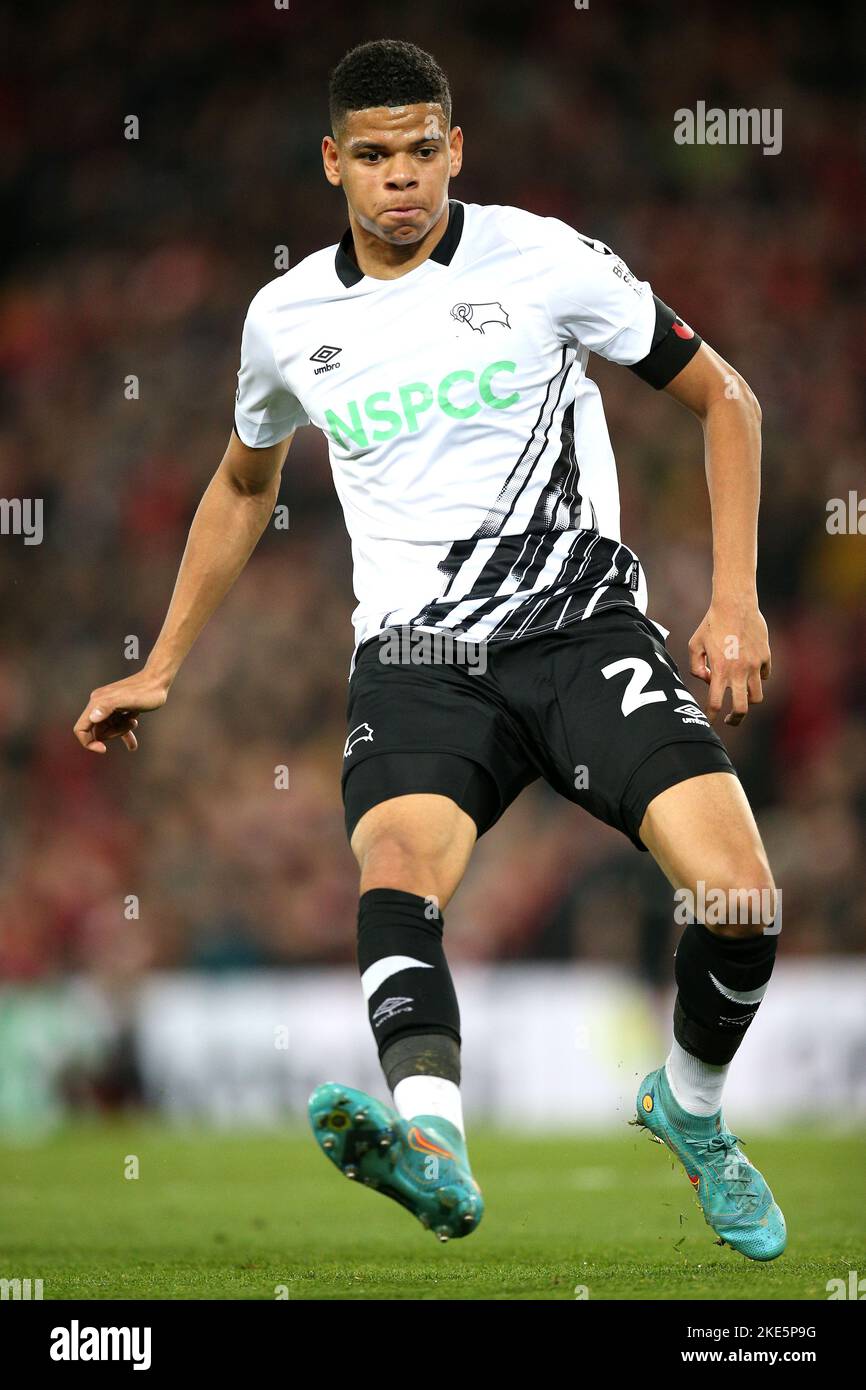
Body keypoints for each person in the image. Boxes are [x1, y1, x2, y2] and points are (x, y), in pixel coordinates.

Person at [74, 39, 785, 1259]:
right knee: (396, 864)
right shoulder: (287, 317)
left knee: (740, 905)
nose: (398, 179)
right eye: (371, 157)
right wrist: (164, 662)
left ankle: (691, 1112)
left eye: (419, 152)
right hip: (415, 658)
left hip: (577, 629)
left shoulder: (543, 258)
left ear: (453, 149)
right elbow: (245, 485)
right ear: (330, 165)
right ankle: (432, 1143)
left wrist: (734, 598)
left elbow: (725, 396)